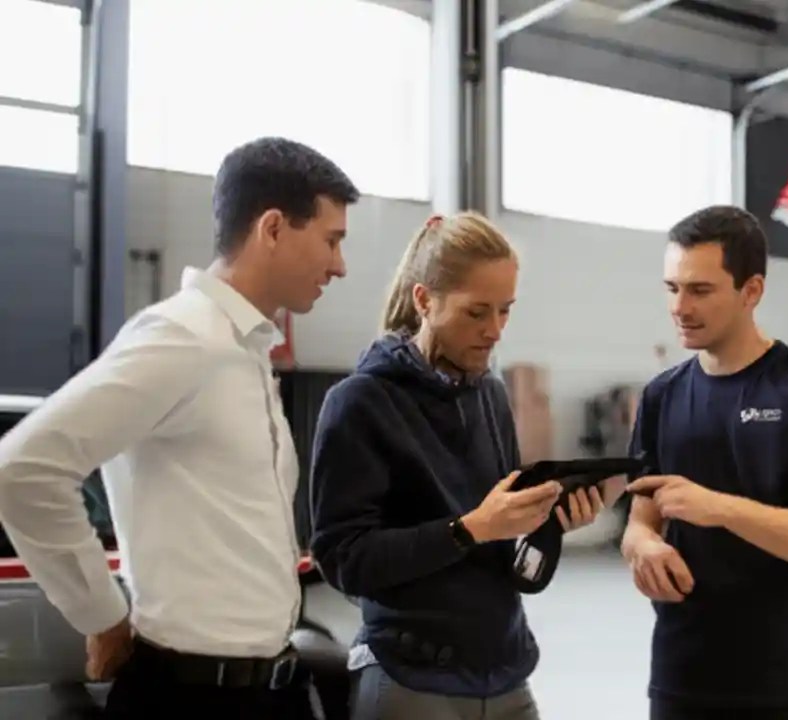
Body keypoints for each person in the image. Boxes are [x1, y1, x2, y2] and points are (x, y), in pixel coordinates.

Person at [0, 136, 359, 718]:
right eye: (331, 240)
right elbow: (23, 470)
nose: (340, 265)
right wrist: (103, 617)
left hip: (270, 688)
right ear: (272, 228)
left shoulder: (243, 350)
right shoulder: (183, 337)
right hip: (189, 697)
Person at [308, 211, 606, 720]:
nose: (495, 331)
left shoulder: (489, 394)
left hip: (504, 668)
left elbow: (503, 545)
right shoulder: (360, 403)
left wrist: (549, 524)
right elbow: (344, 561)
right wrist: (468, 529)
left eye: (506, 311)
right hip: (411, 679)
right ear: (425, 300)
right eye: (477, 313)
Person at [621, 205, 788, 720]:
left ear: (751, 290)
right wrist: (643, 547)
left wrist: (719, 508)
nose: (680, 306)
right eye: (672, 288)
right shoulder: (661, 397)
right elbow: (640, 520)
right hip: (684, 677)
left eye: (700, 290)